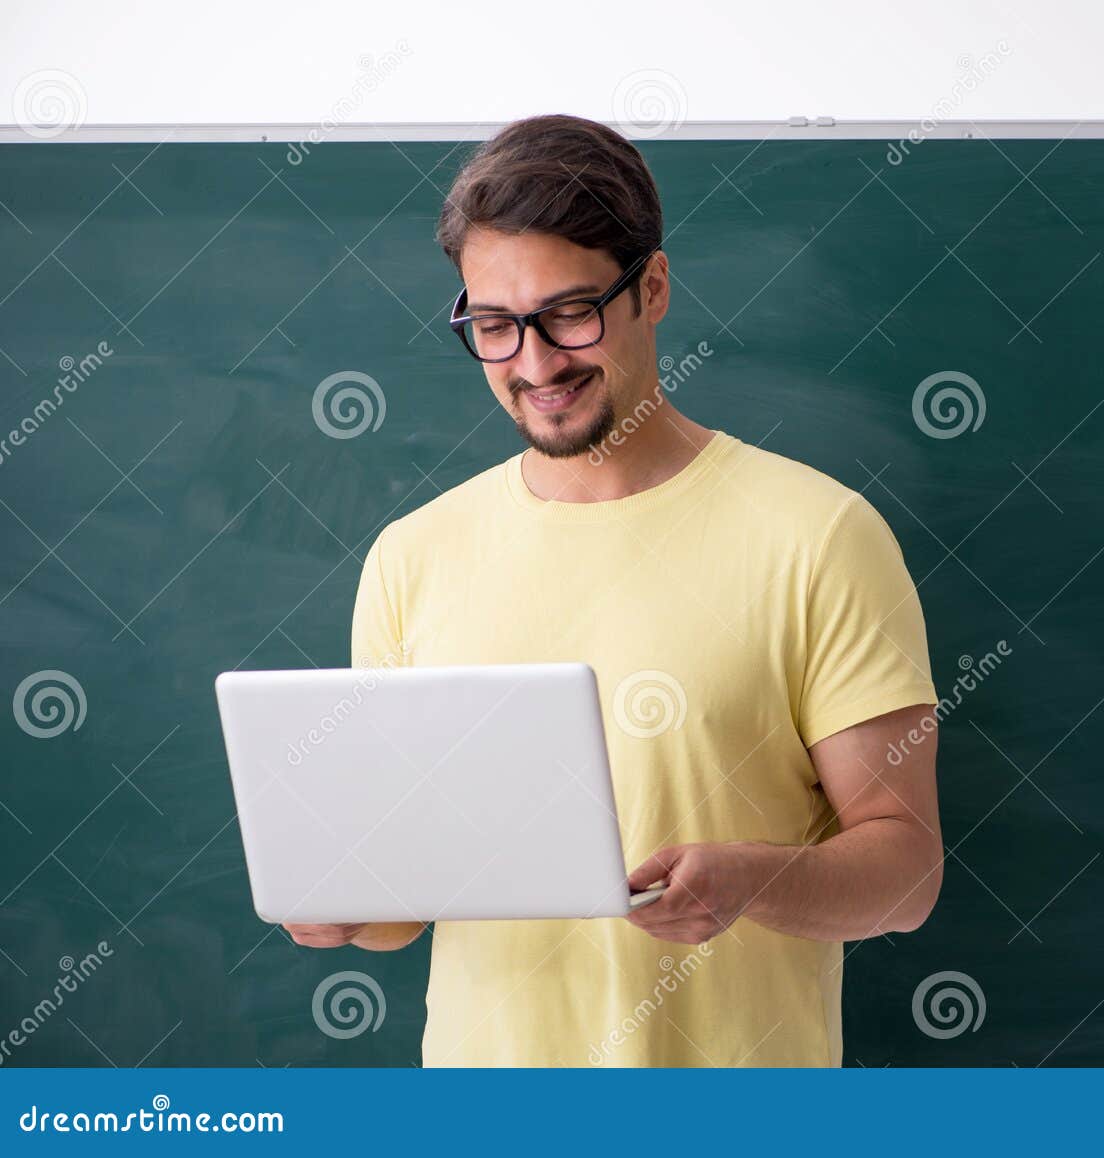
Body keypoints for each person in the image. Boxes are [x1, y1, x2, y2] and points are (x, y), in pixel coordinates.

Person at [284, 114, 942, 1067]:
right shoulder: (412, 556)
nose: (536, 363)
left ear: (655, 289)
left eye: (570, 314)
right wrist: (347, 908)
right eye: (496, 326)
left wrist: (755, 881)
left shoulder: (818, 536)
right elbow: (406, 907)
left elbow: (906, 874)